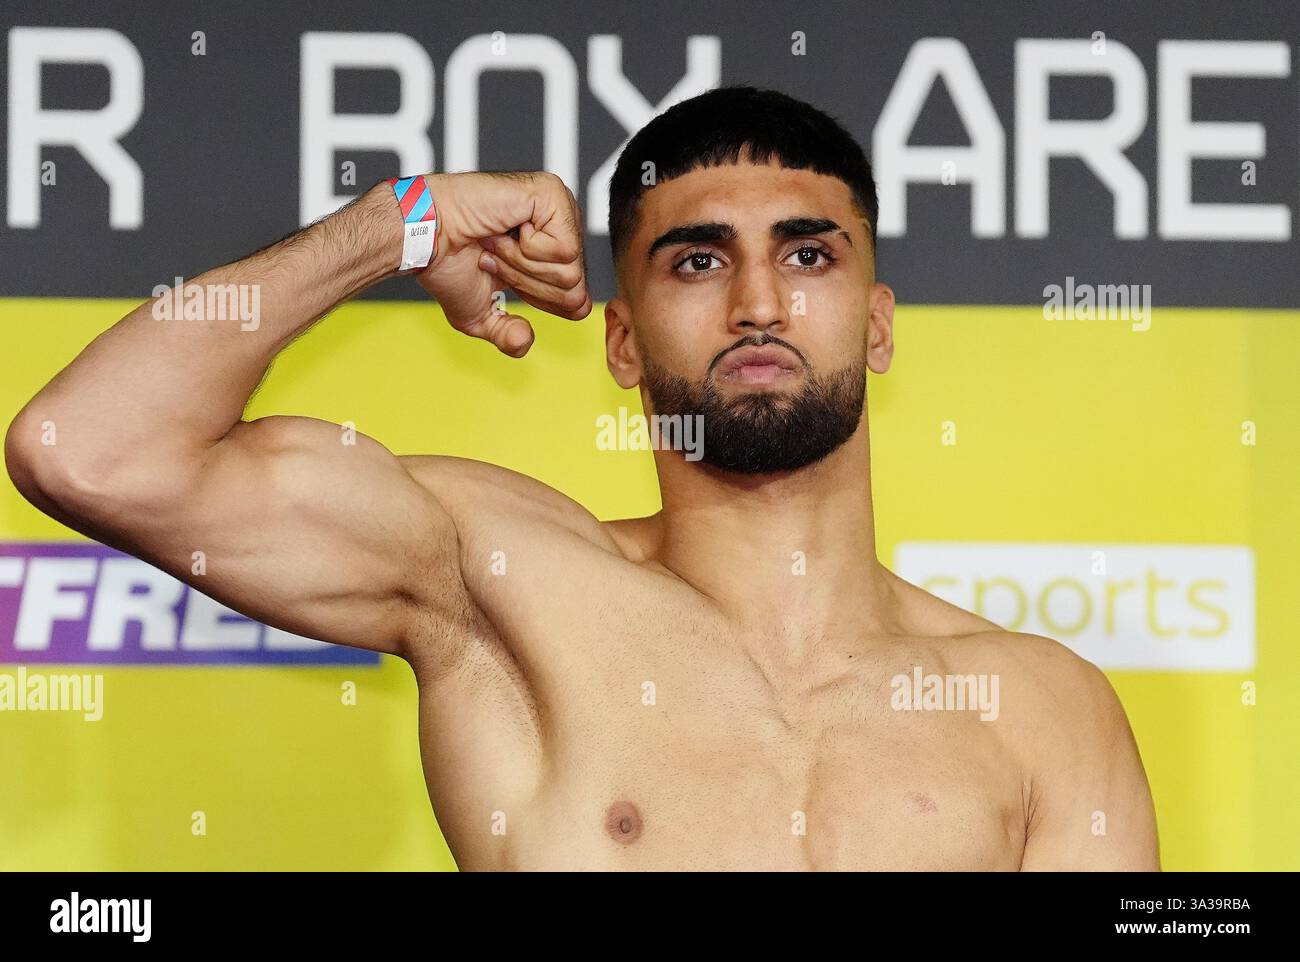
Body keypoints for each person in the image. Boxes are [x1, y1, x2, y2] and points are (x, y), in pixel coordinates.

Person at [4, 86, 1159, 870]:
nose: (758, 301)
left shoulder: (1037, 707)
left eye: (808, 254)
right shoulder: (500, 578)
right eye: (697, 260)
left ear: (878, 323)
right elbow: (87, 450)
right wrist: (395, 225)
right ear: (618, 340)